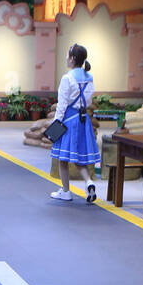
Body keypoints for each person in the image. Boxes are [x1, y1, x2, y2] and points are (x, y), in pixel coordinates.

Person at [49, 44, 100, 204]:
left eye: (67, 56)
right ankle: (88, 182)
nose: (66, 58)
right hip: (83, 121)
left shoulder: (67, 78)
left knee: (63, 158)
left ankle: (65, 191)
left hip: (68, 121)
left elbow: (62, 104)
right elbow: (90, 101)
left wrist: (55, 123)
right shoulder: (88, 77)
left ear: (72, 59)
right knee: (80, 157)